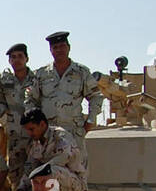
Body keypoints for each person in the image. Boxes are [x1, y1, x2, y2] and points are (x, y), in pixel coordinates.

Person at [30, 30, 104, 160]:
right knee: (49, 173)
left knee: (77, 171)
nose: (59, 50)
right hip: (48, 134)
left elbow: (95, 96)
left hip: (74, 132)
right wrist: (34, 125)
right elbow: (30, 99)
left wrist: (91, 120)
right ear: (51, 50)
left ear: (68, 48)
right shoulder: (41, 74)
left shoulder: (81, 72)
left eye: (62, 46)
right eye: (55, 47)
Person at [18, 107, 88, 191]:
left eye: (32, 129)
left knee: (50, 172)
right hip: (51, 185)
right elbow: (30, 168)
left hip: (75, 185)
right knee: (31, 184)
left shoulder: (61, 137)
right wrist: (21, 187)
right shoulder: (35, 143)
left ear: (42, 124)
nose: (29, 133)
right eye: (27, 130)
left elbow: (60, 160)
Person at [0, 43, 38, 189]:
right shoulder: (5, 81)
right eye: (13, 57)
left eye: (20, 56)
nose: (16, 60)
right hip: (14, 137)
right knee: (14, 174)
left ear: (27, 59)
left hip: (34, 137)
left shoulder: (37, 80)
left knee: (36, 172)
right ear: (9, 61)